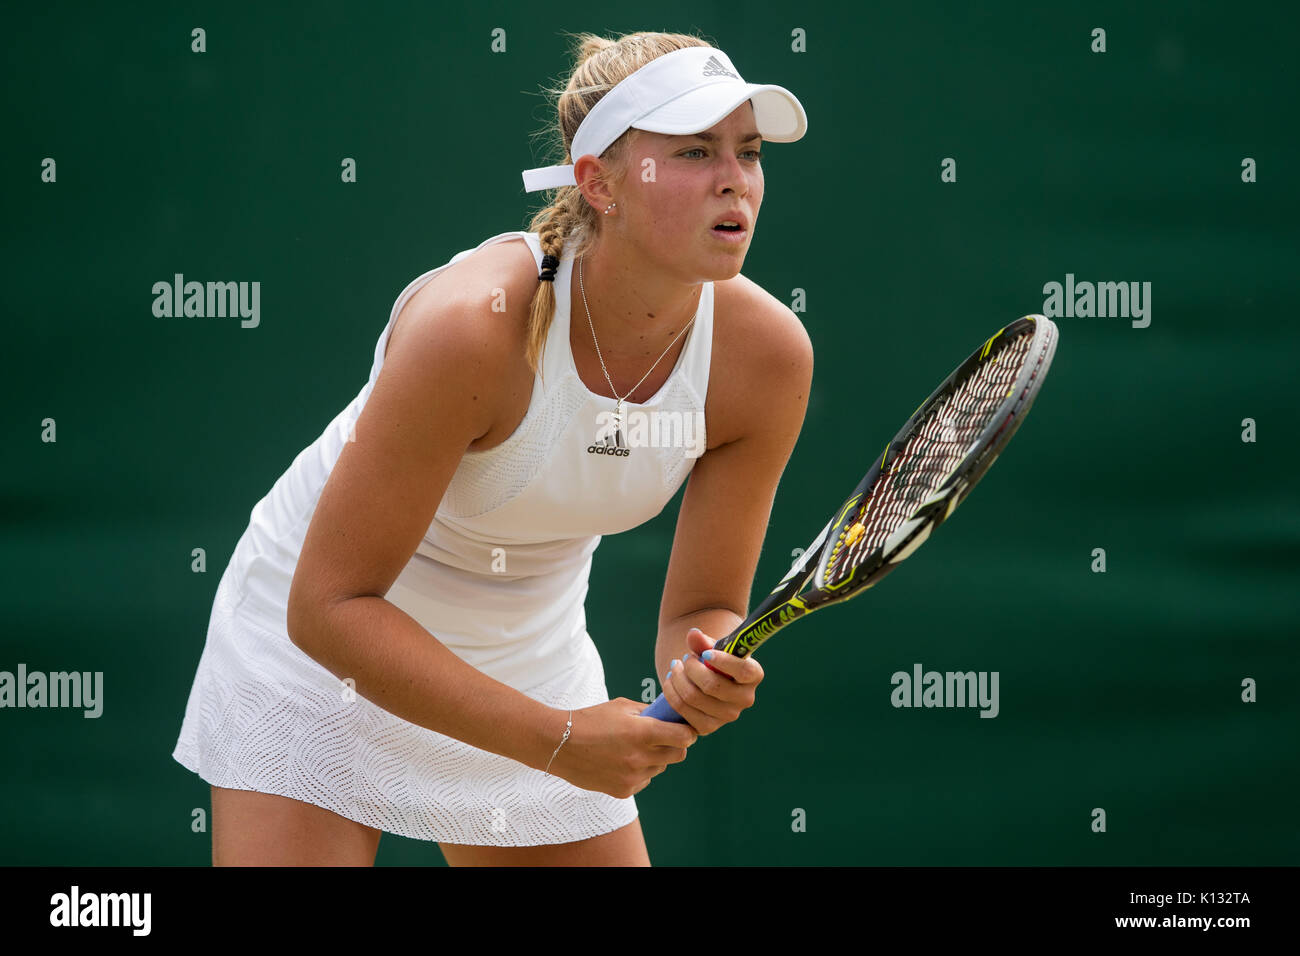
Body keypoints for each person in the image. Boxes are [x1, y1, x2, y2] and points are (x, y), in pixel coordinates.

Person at [171, 30, 811, 866]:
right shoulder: (470, 328)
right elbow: (327, 605)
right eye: (693, 150)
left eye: (749, 151)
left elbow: (700, 613)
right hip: (321, 657)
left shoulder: (765, 360)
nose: (735, 177)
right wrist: (558, 740)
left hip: (529, 658)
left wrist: (701, 666)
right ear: (599, 184)